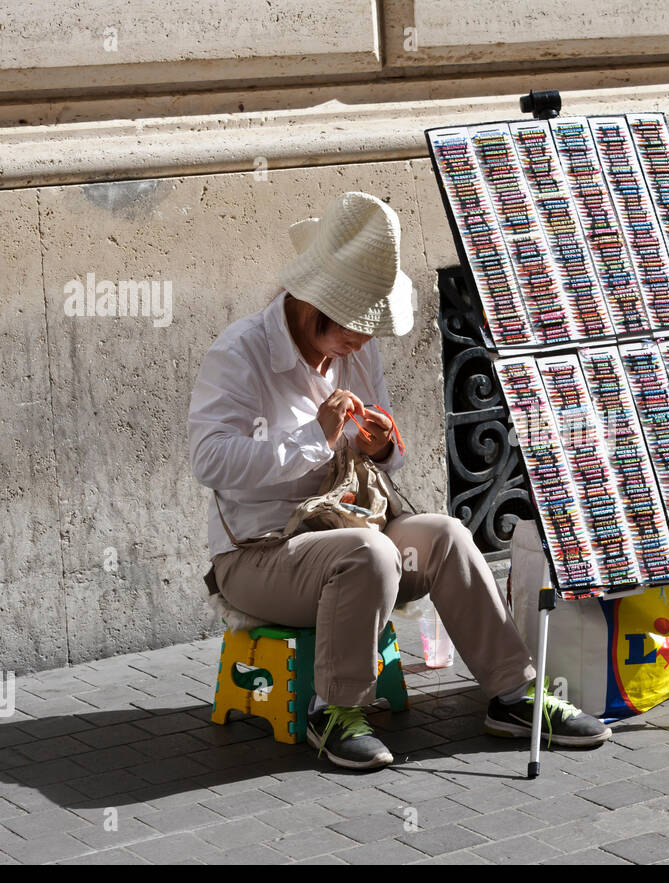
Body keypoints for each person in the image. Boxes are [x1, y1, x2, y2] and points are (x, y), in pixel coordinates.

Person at [187, 191, 611, 770]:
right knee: (369, 553)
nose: (364, 343)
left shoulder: (354, 353)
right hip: (261, 555)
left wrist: (381, 446)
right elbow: (210, 462)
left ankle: (513, 695)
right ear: (314, 305)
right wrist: (313, 438)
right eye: (356, 327)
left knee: (448, 535)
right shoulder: (239, 354)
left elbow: (383, 461)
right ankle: (333, 711)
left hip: (358, 528)